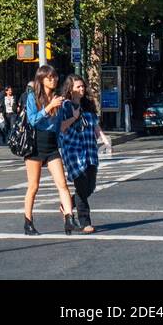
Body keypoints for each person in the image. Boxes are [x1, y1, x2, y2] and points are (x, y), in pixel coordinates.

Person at [21, 64, 76, 236]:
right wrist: (49, 107)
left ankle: (69, 217)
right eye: (49, 77)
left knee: (62, 184)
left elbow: (58, 125)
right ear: (41, 79)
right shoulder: (33, 97)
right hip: (36, 145)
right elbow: (32, 120)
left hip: (52, 145)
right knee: (33, 186)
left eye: (55, 77)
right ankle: (28, 223)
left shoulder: (58, 98)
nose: (53, 80)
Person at [58, 74, 102, 233]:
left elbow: (95, 124)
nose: (81, 89)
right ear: (70, 89)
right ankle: (85, 222)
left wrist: (102, 137)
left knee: (89, 187)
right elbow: (61, 127)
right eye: (78, 87)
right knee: (82, 187)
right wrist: (74, 117)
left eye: (83, 86)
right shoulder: (64, 106)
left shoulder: (88, 104)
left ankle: (67, 205)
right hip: (74, 152)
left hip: (90, 150)